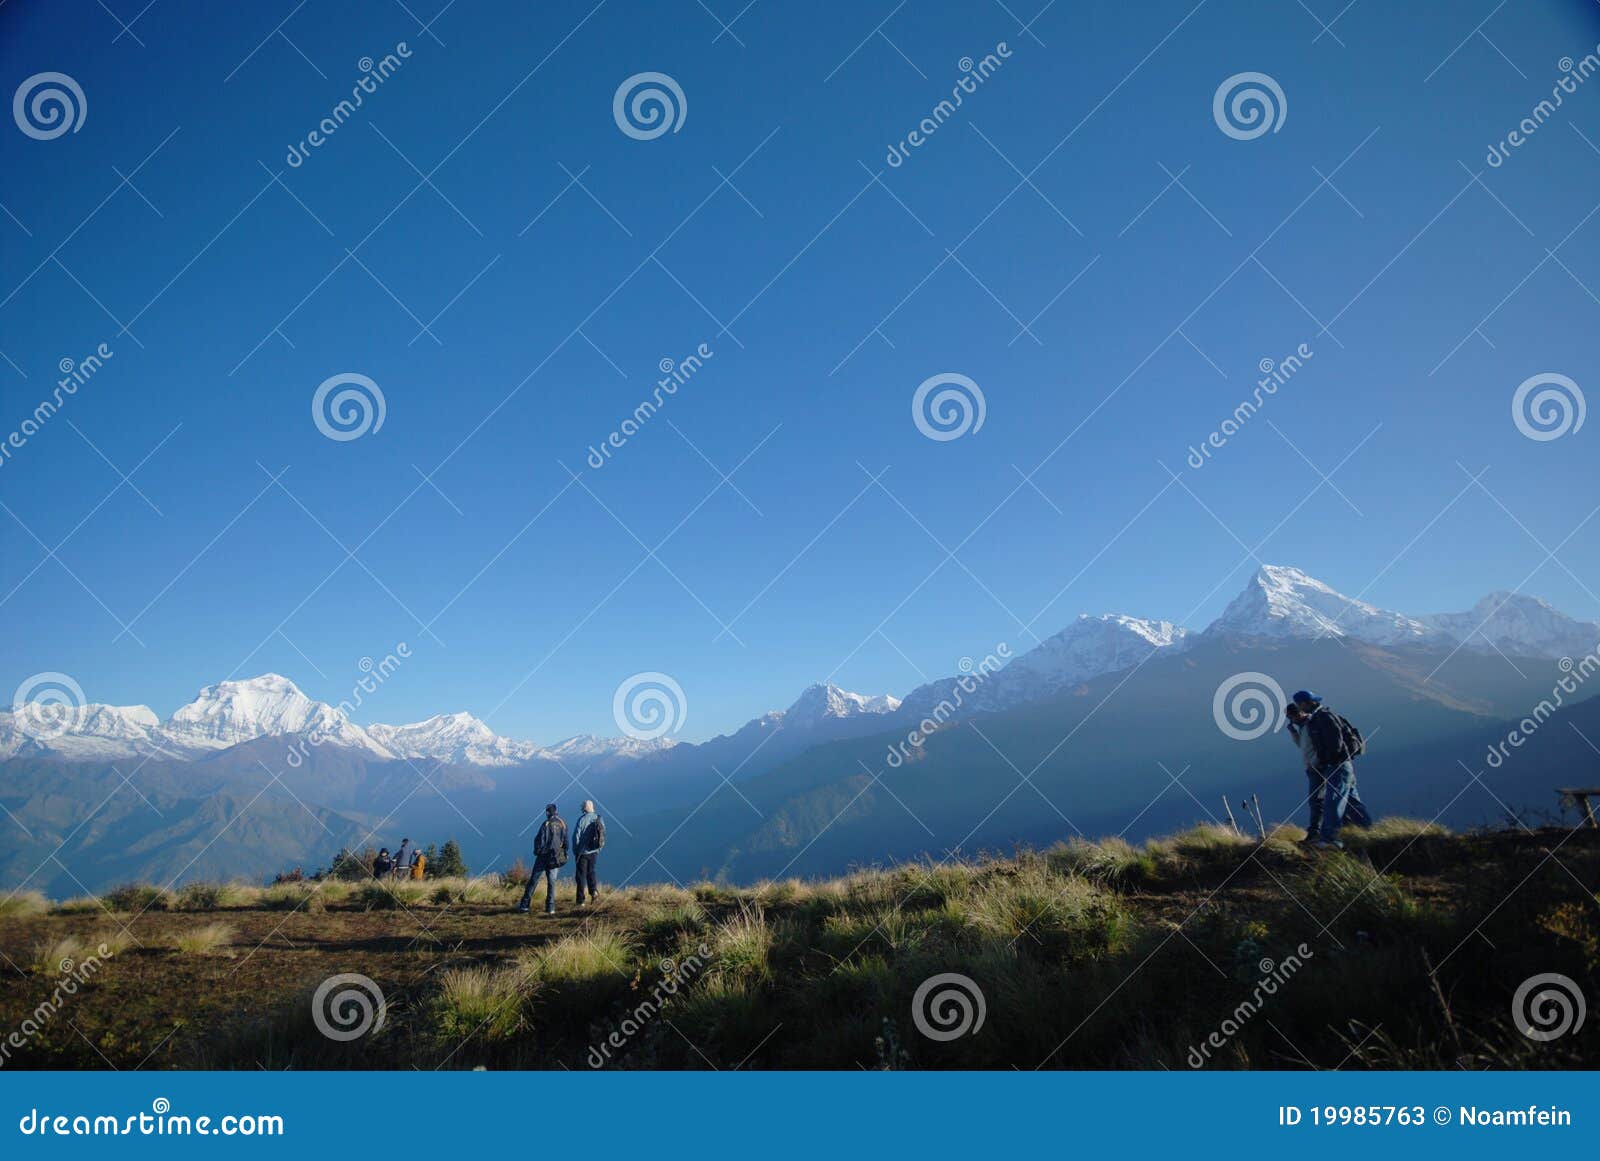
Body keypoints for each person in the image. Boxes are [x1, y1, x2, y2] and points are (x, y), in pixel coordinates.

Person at [1291, 690, 1371, 848]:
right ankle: (1369, 831)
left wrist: (1326, 760)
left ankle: (1330, 840)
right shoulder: (1321, 717)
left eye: (1300, 704)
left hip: (1336, 766)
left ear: (1307, 702)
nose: (1300, 707)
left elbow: (1335, 743)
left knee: (1333, 801)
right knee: (1352, 802)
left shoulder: (1323, 718)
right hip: (1341, 765)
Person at [515, 804, 568, 915]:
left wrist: (537, 852)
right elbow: (566, 842)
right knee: (552, 882)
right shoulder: (562, 823)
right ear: (556, 811)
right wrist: (563, 854)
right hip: (556, 858)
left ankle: (524, 905)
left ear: (547, 812)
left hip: (543, 857)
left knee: (534, 880)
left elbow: (540, 841)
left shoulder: (546, 824)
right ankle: (550, 908)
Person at [571, 799, 605, 907]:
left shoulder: (581, 820)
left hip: (582, 853)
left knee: (581, 876)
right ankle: (594, 893)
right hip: (594, 851)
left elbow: (576, 837)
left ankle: (580, 900)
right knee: (591, 872)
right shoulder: (599, 818)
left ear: (584, 808)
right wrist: (598, 849)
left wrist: (576, 851)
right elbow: (603, 835)